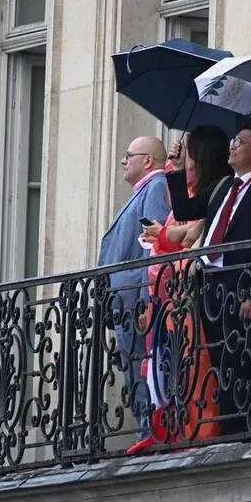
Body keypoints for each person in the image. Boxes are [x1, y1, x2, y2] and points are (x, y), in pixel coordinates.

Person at [168, 121, 251, 436]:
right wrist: (177, 170)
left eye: (240, 141)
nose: (232, 145)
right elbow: (184, 207)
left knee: (241, 360)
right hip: (211, 283)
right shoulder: (221, 187)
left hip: (239, 286)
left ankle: (243, 428)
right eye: (233, 139)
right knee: (218, 359)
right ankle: (228, 427)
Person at [135, 125, 231, 447]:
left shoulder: (222, 189)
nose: (186, 162)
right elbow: (183, 218)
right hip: (170, 296)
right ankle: (170, 430)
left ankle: (195, 431)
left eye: (190, 156)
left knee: (193, 369)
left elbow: (188, 235)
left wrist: (165, 234)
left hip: (191, 293)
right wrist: (175, 170)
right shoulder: (203, 191)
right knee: (173, 370)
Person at [97, 136, 172, 437]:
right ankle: (145, 434)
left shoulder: (155, 187)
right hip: (125, 299)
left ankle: (148, 436)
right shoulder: (146, 188)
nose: (124, 161)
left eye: (129, 155)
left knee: (140, 372)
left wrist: (145, 300)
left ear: (147, 161)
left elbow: (151, 249)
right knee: (134, 373)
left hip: (134, 301)